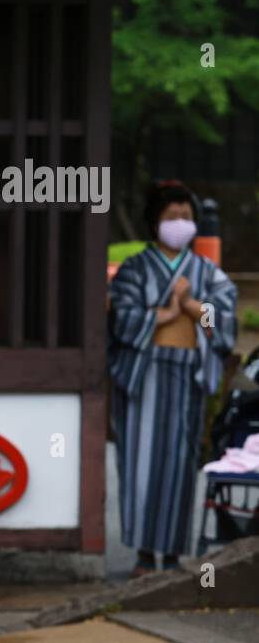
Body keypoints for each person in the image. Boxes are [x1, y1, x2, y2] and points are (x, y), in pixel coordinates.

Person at [109, 180, 238, 577]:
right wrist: (166, 313)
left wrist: (193, 305)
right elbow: (122, 318)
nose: (180, 223)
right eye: (172, 217)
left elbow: (224, 317)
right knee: (141, 464)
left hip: (185, 375)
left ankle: (173, 554)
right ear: (155, 222)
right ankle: (146, 554)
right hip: (145, 376)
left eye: (186, 216)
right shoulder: (135, 268)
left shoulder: (206, 272)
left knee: (180, 467)